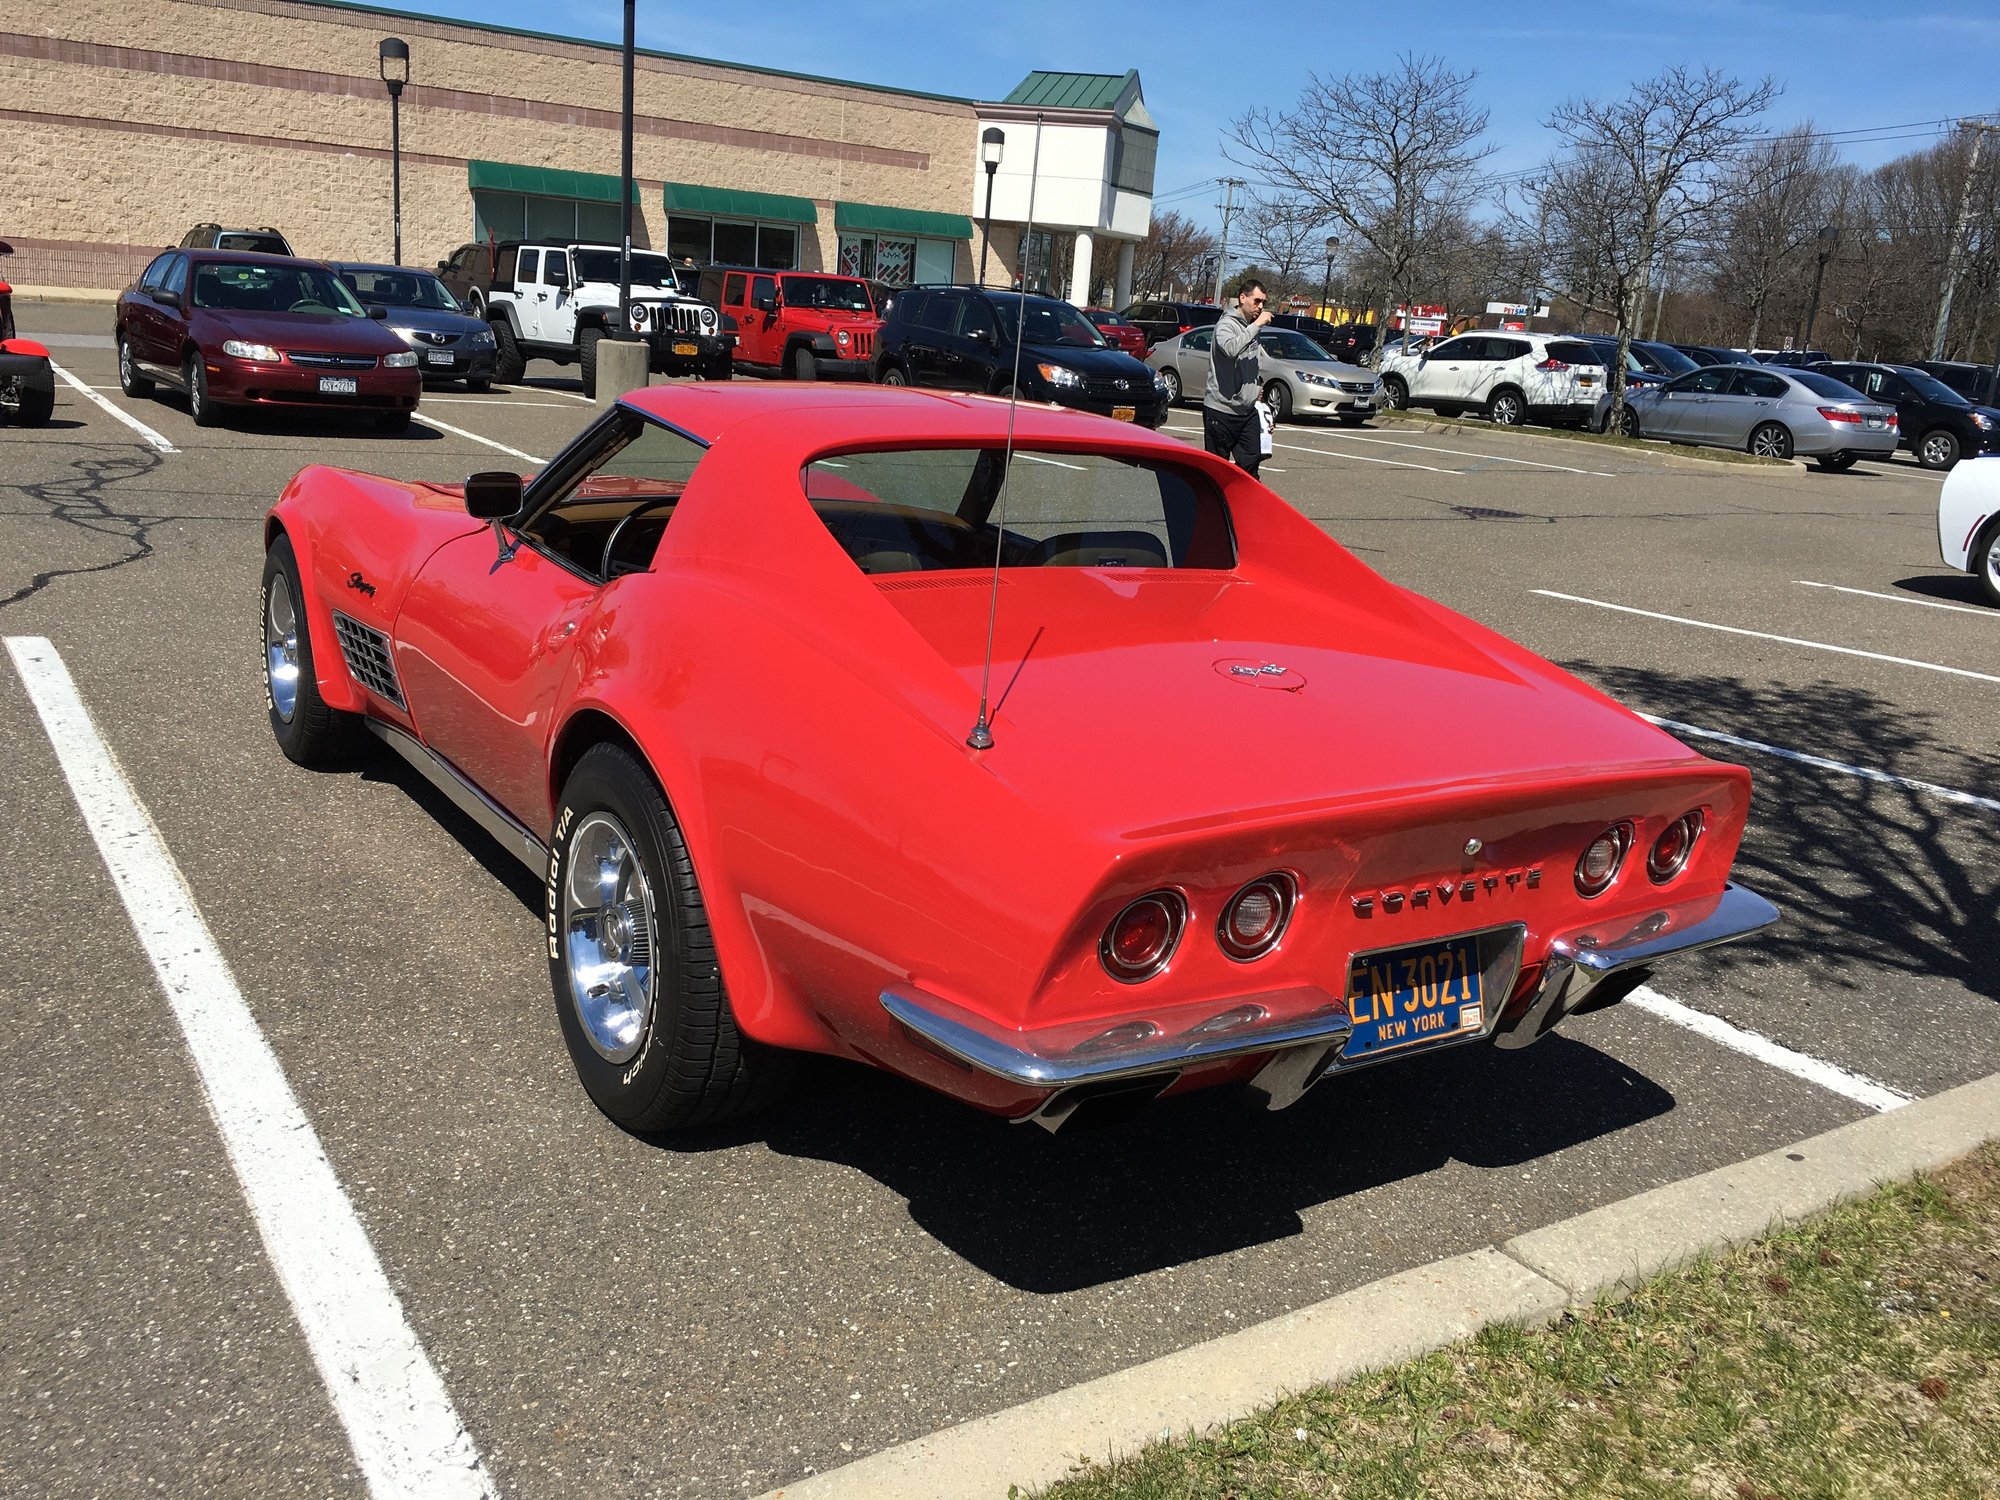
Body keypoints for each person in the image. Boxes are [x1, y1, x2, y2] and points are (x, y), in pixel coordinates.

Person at [1204, 277, 1271, 476]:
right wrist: (1257, 325)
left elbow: (1250, 365)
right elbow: (1231, 349)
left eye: (1263, 303)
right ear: (1243, 298)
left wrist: (1256, 391)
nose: (1260, 307)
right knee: (1216, 471)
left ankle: (1242, 503)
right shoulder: (1226, 324)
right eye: (1256, 301)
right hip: (1221, 409)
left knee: (1251, 464)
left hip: (1246, 411)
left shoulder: (1251, 327)